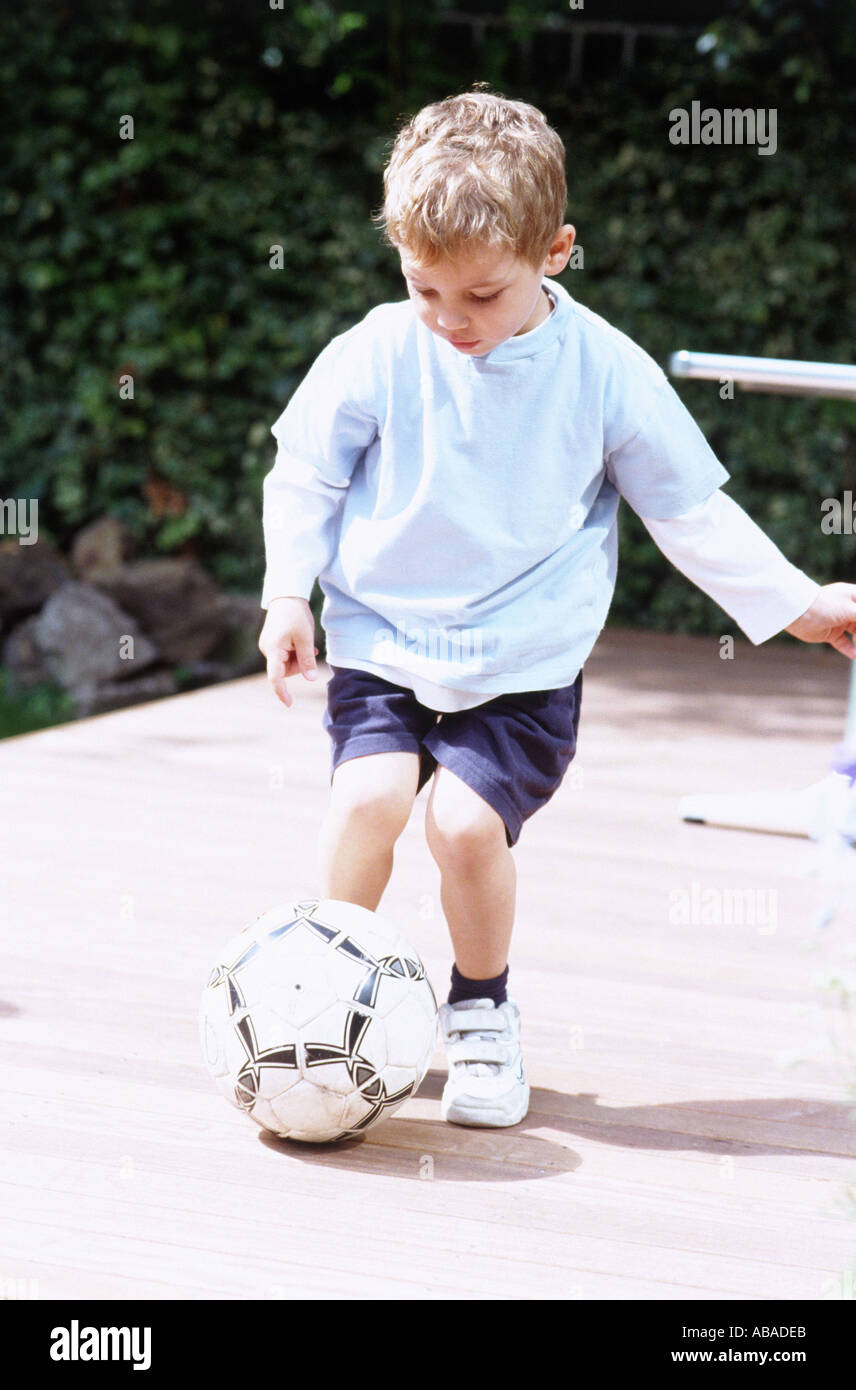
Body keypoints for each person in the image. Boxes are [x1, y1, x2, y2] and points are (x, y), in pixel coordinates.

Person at [258, 89, 856, 1129]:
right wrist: (283, 593)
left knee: (463, 823)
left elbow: (689, 511)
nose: (449, 320)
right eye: (423, 286)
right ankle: (324, 991)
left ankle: (481, 1010)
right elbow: (302, 476)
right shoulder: (378, 348)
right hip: (384, 638)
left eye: (480, 294)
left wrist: (798, 603)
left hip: (524, 660)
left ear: (555, 251)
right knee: (366, 803)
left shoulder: (604, 371)